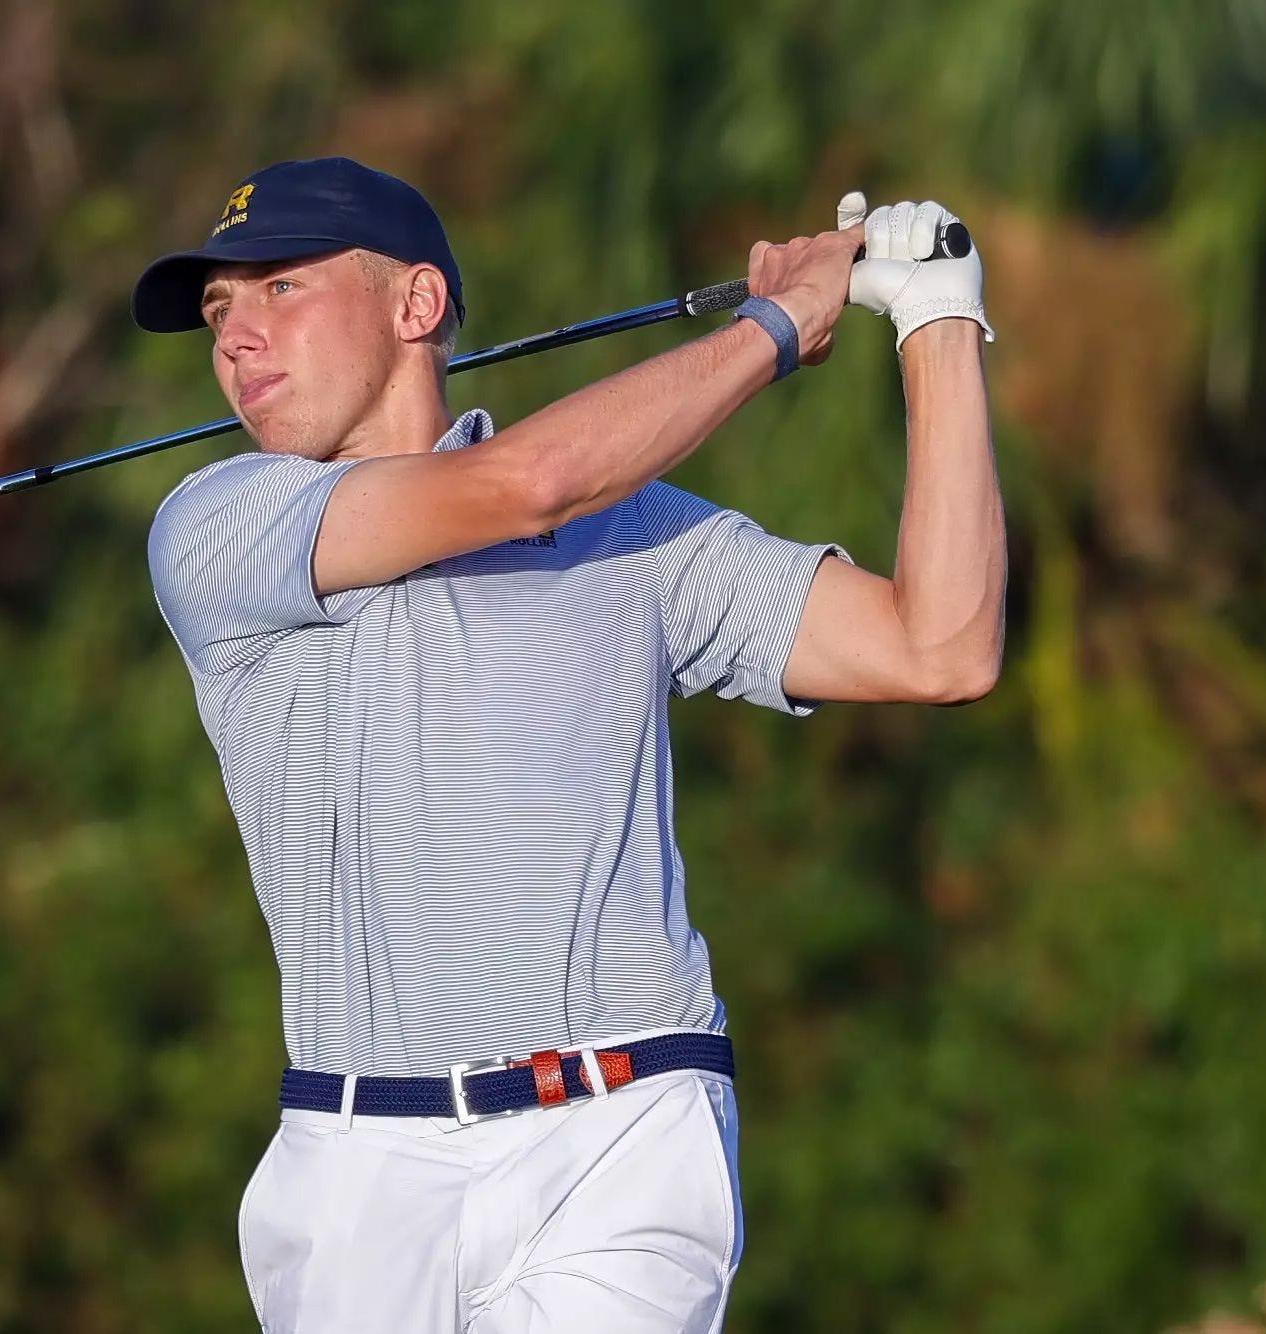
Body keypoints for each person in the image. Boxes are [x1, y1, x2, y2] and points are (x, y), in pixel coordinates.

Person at [135, 156, 1003, 1333]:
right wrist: (775, 327)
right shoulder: (216, 526)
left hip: (622, 1134)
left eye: (278, 289)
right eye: (217, 311)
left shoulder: (630, 535)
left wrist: (936, 321)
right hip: (353, 1174)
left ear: (415, 306)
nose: (236, 336)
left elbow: (938, 647)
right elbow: (526, 483)